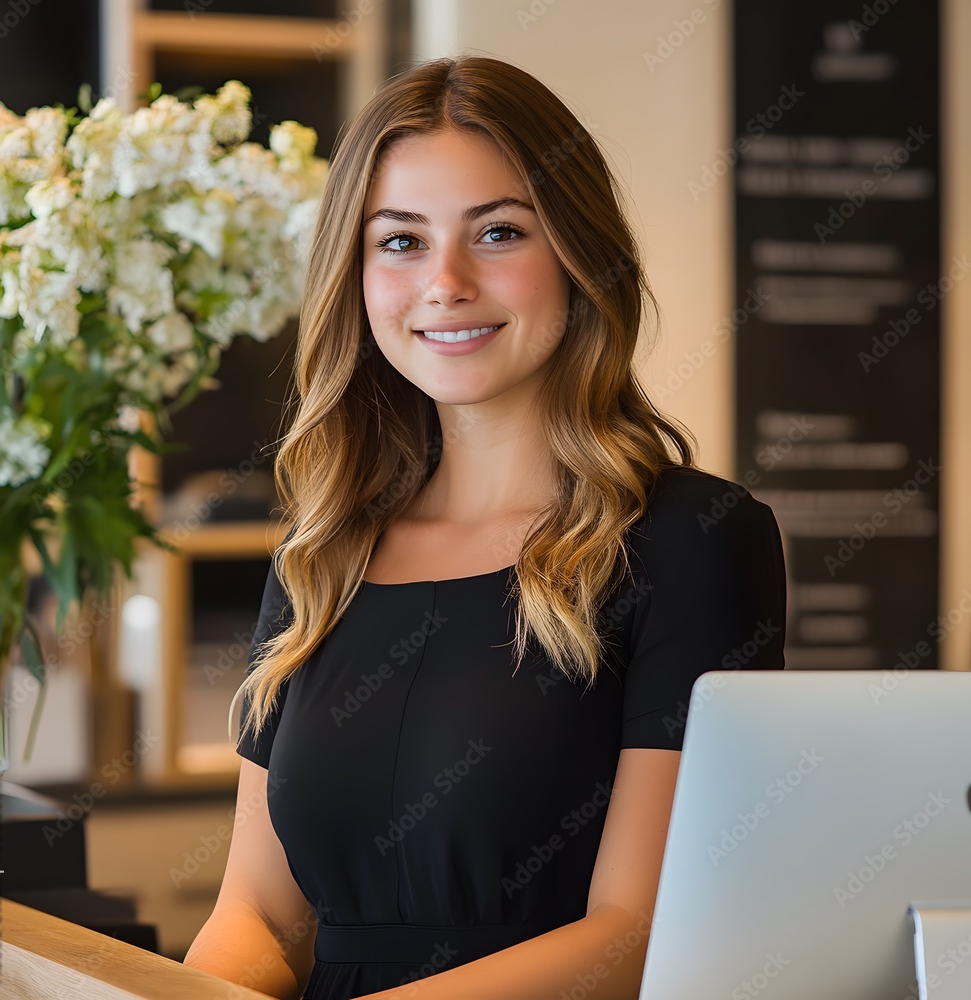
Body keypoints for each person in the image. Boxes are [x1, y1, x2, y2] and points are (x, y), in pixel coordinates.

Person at [183, 54, 786, 1000]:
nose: (446, 282)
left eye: (498, 232)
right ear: (357, 272)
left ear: (582, 255)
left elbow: (636, 939)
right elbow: (257, 914)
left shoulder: (694, 539)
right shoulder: (321, 550)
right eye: (401, 241)